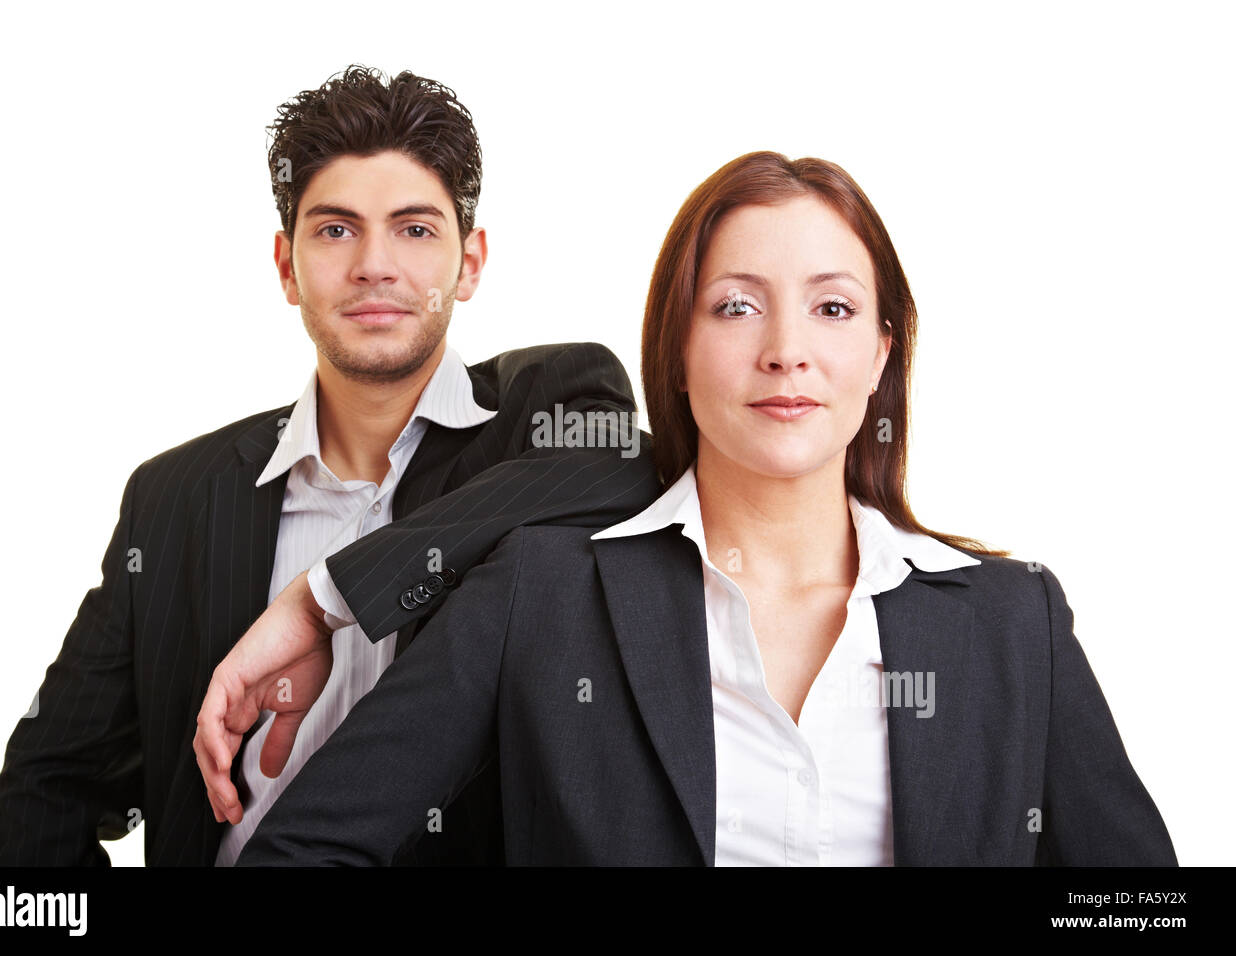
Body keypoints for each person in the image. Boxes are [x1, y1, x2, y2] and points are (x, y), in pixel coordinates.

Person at [232, 151, 1177, 866]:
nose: (786, 351)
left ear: (884, 353)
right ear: (676, 349)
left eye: (833, 309)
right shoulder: (541, 597)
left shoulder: (1015, 623)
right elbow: (306, 851)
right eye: (735, 307)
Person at [0, 65, 658, 867]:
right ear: (286, 266)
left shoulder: (543, 409)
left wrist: (318, 603)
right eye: (336, 229)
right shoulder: (174, 499)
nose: (375, 265)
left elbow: (615, 462)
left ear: (470, 263)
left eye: (415, 229)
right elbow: (47, 783)